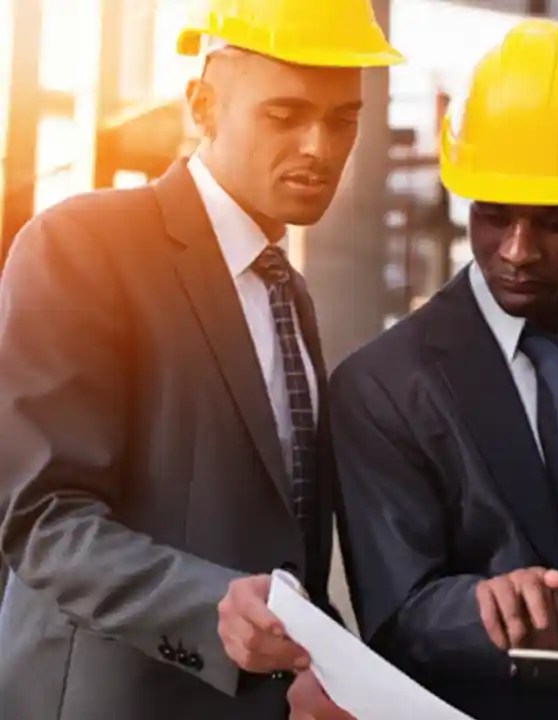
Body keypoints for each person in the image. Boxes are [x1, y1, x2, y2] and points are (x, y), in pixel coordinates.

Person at [0, 1, 403, 718]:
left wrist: (324, 666)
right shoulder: (80, 246)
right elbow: (42, 518)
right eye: (284, 114)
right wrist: (207, 604)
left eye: (343, 119)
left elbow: (286, 541)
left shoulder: (288, 293)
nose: (319, 146)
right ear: (203, 105)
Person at [291, 19, 558, 720]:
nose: (517, 250)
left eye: (552, 221)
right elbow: (395, 612)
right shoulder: (382, 384)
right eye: (493, 215)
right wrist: (481, 609)